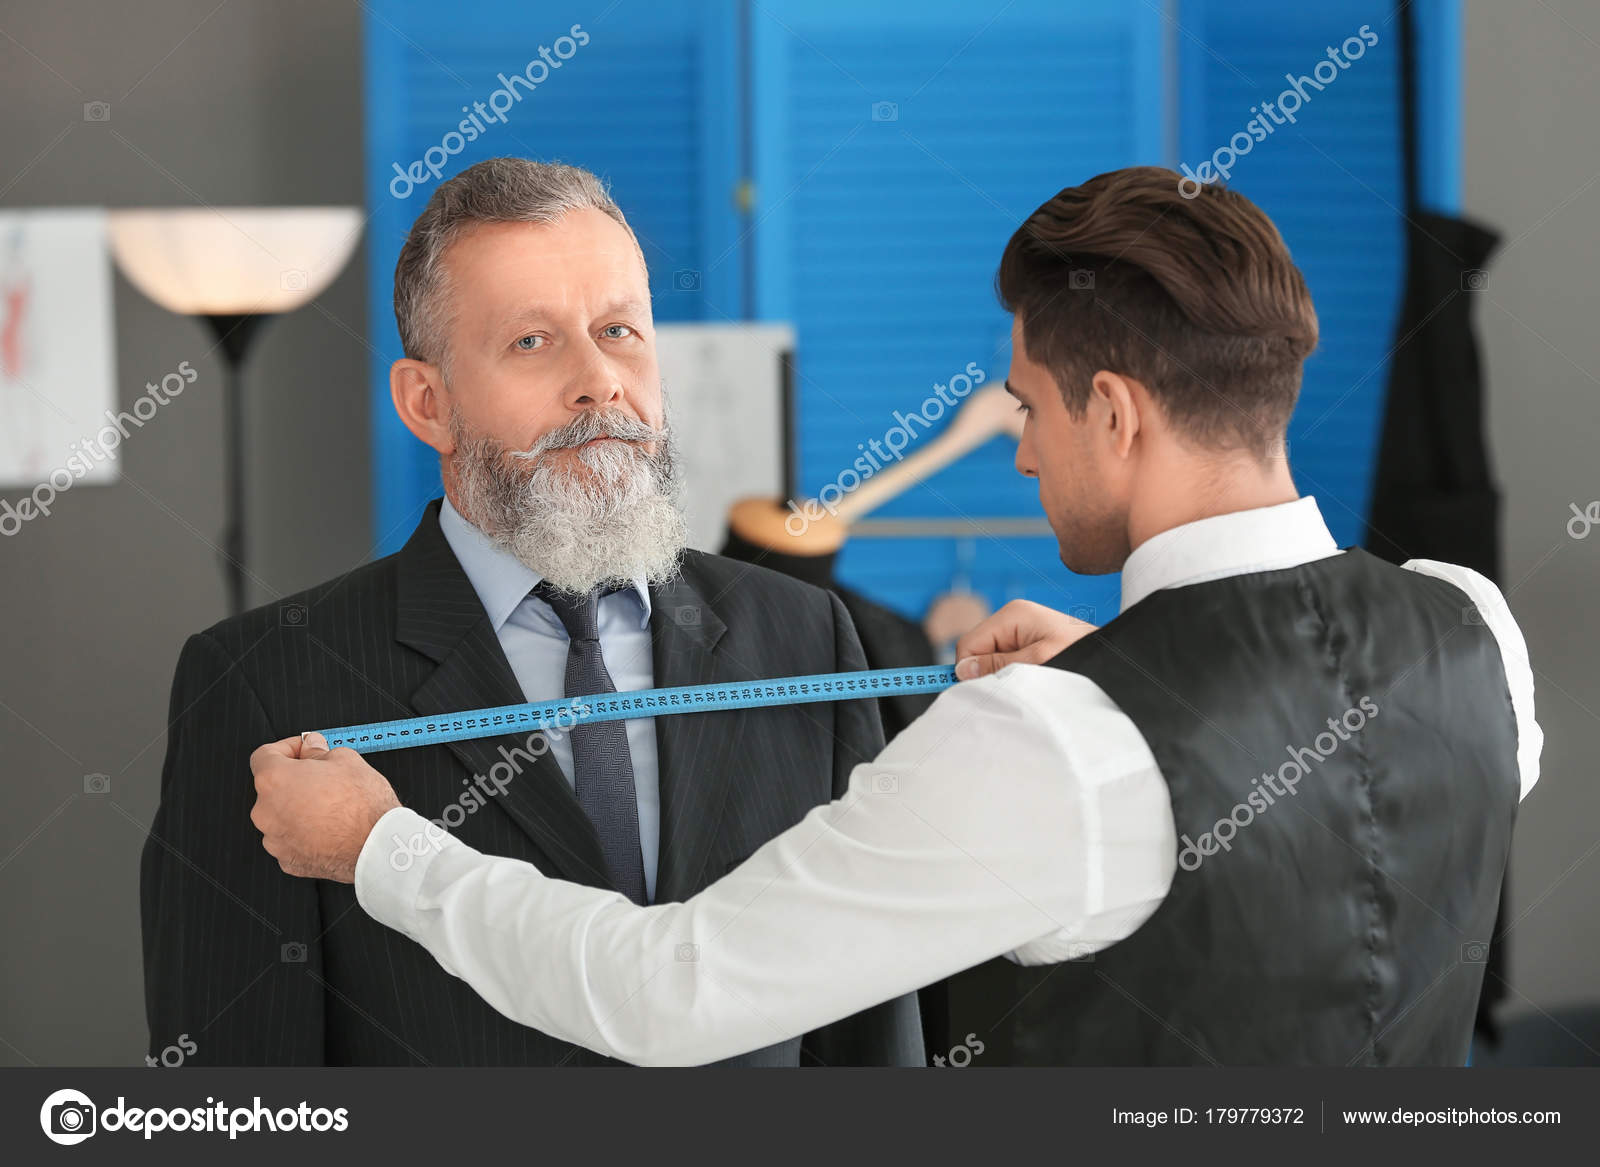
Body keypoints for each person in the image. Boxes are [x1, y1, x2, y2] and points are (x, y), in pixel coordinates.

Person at [250, 166, 1542, 1067]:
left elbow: (673, 984)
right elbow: (1300, 807)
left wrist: (382, 847)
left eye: (1029, 409)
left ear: (1116, 413)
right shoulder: (1474, 631)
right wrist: (1125, 681)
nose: (1022, 457)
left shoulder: (1041, 742)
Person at [142, 157, 923, 1067]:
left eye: (620, 330)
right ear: (426, 403)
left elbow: (870, 1030)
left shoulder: (807, 639)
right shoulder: (269, 685)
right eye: (532, 342)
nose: (599, 382)